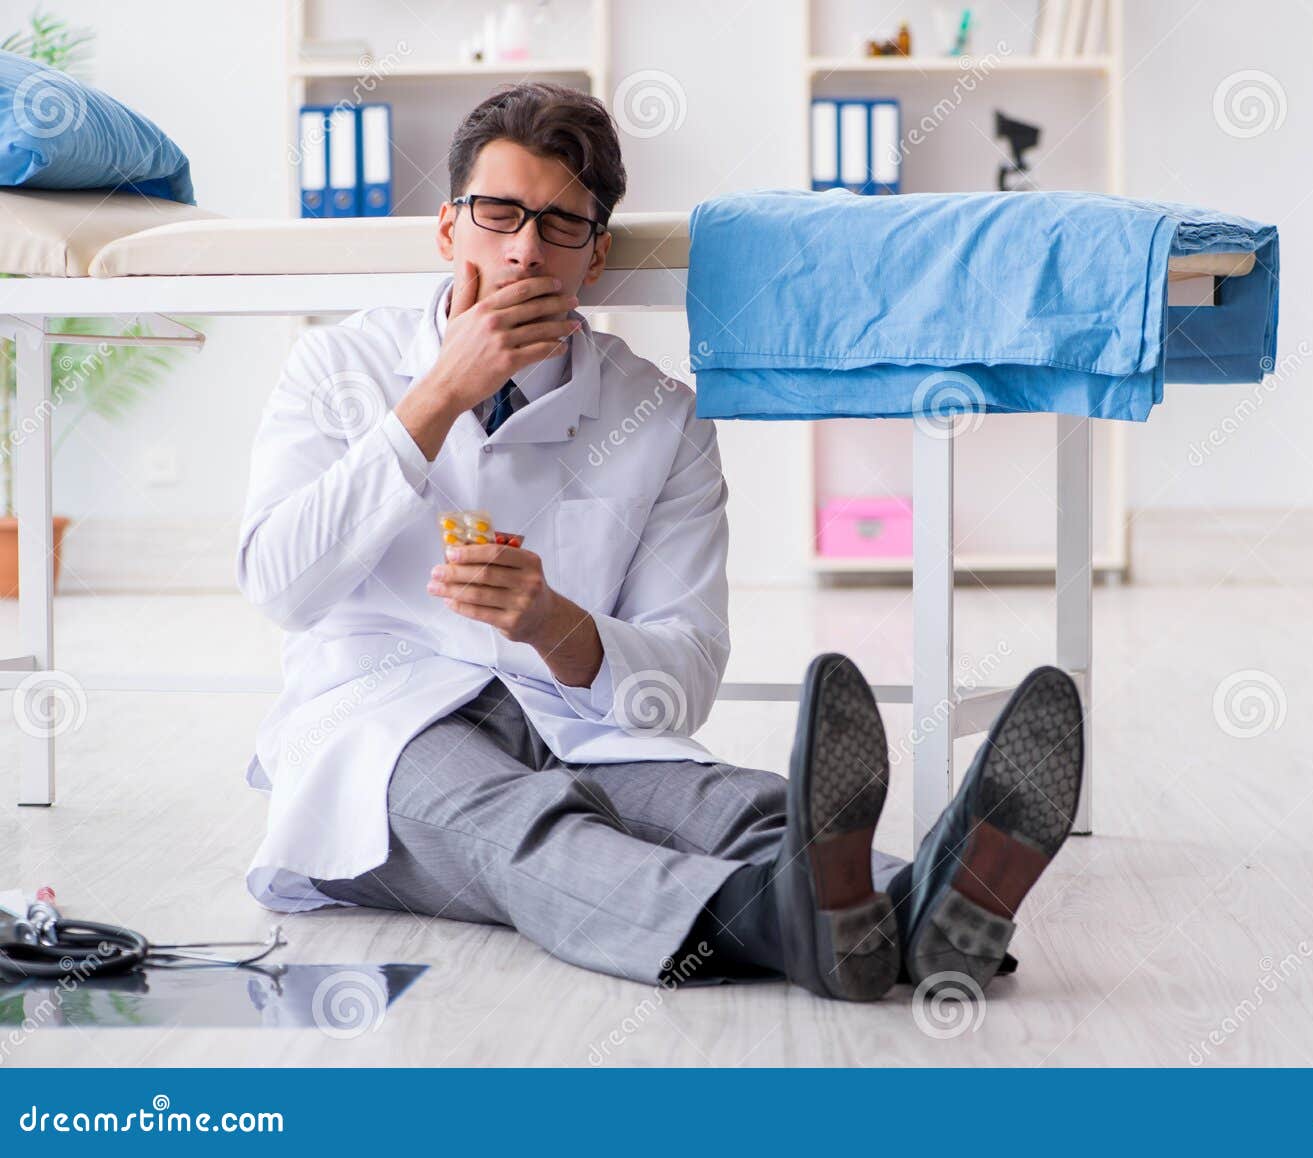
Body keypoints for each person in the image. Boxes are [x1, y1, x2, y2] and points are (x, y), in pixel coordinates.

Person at [236, 82, 1084, 1001]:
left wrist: (560, 625)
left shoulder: (658, 416)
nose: (524, 248)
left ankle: (918, 904)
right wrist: (436, 395)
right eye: (499, 214)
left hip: (574, 716)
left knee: (732, 802)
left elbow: (682, 680)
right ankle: (804, 921)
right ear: (448, 230)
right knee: (528, 828)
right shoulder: (338, 366)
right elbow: (281, 585)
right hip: (380, 725)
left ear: (595, 255)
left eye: (560, 225)